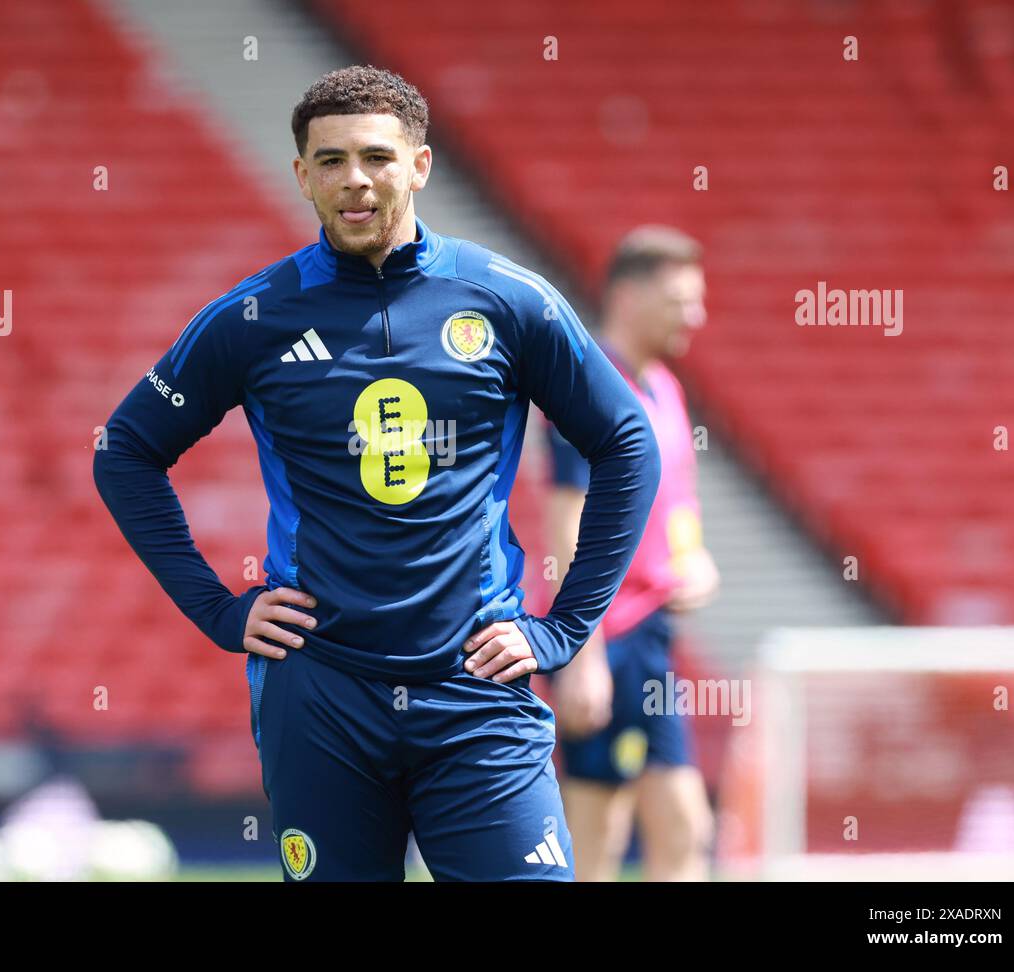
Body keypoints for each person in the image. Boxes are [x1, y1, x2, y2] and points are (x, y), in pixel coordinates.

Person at [93, 65, 659, 881]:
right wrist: (217, 610)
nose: (354, 180)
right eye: (330, 162)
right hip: (321, 694)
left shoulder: (506, 300)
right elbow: (125, 450)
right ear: (302, 177)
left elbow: (628, 443)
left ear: (419, 165)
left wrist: (563, 629)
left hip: (477, 685)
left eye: (376, 157)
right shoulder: (255, 317)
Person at [545, 226, 719, 881]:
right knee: (598, 839)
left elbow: (680, 512)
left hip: (651, 635)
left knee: (685, 828)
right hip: (605, 638)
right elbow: (566, 522)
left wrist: (696, 560)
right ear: (628, 293)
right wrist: (580, 655)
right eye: (680, 299)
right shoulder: (587, 386)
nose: (694, 316)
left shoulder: (667, 391)